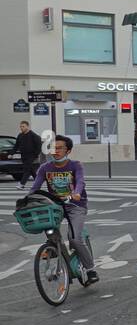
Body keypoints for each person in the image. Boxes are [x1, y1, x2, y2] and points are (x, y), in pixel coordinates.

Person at [31, 135, 97, 285]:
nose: (55, 151)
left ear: (68, 150)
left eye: (59, 148)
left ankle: (90, 269)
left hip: (75, 205)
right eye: (53, 148)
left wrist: (77, 193)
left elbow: (80, 181)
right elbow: (35, 187)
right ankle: (54, 247)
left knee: (74, 238)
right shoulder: (45, 168)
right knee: (49, 230)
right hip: (55, 206)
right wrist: (27, 199)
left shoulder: (75, 165)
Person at [15, 121, 42, 188]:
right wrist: (11, 153)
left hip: (31, 156)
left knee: (26, 170)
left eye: (23, 126)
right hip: (24, 156)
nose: (21, 128)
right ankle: (38, 183)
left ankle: (22, 184)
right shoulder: (20, 135)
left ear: (27, 126)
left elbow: (38, 146)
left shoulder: (34, 136)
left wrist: (35, 155)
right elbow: (16, 145)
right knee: (31, 170)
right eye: (20, 126)